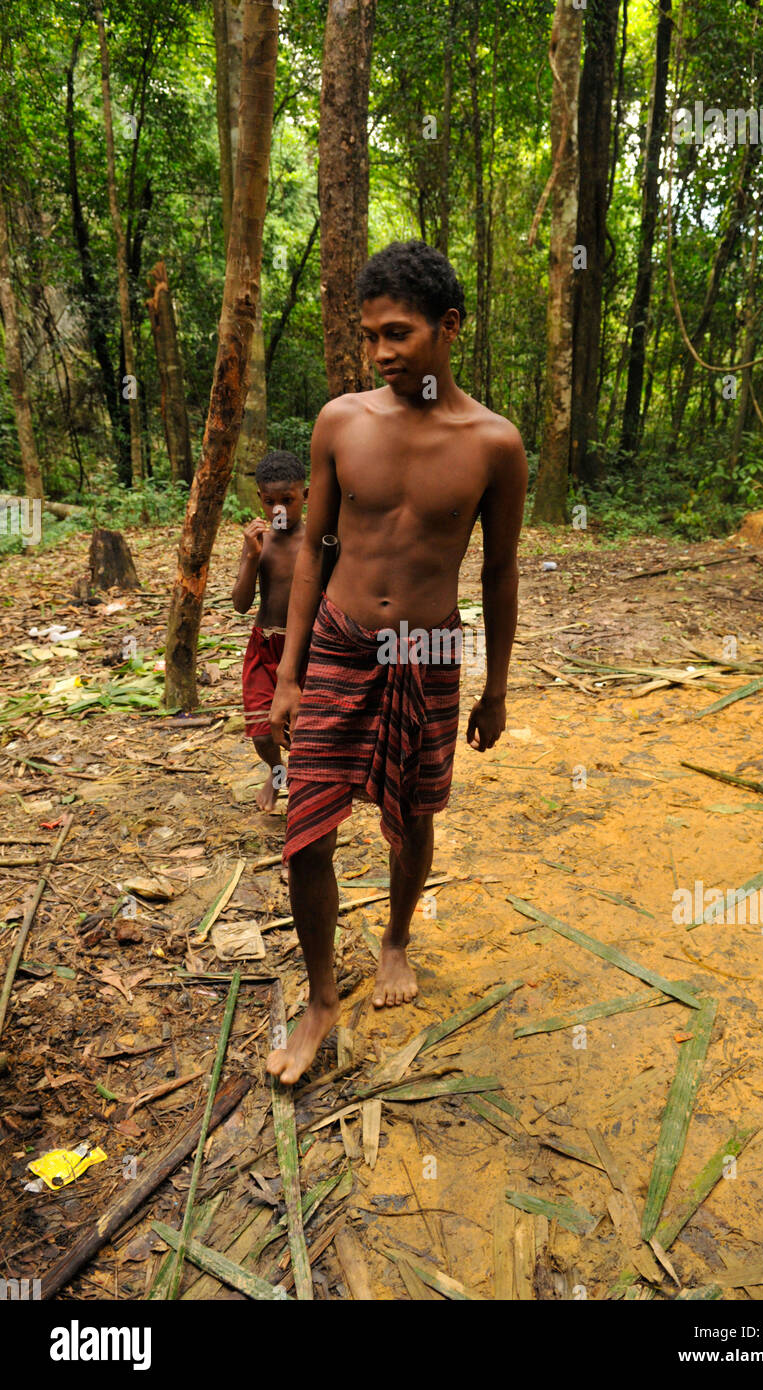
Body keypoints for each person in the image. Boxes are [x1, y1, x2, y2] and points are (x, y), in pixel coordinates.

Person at [265, 240, 527, 1084]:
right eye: (371, 335)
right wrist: (291, 672)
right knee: (306, 830)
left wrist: (496, 687)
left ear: (448, 328)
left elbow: (498, 568)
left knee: (414, 813)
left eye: (399, 333)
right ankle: (317, 1001)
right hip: (341, 640)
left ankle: (396, 940)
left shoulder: (494, 444)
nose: (381, 352)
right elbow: (314, 551)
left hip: (430, 651)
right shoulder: (342, 422)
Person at [232, 450, 307, 812]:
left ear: (305, 495)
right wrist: (250, 555)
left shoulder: (319, 543)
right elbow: (241, 603)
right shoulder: (259, 544)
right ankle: (277, 772)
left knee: (299, 727)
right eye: (269, 502)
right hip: (264, 646)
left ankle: (307, 784)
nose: (278, 510)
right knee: (262, 733)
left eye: (287, 501)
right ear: (259, 499)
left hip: (306, 649)